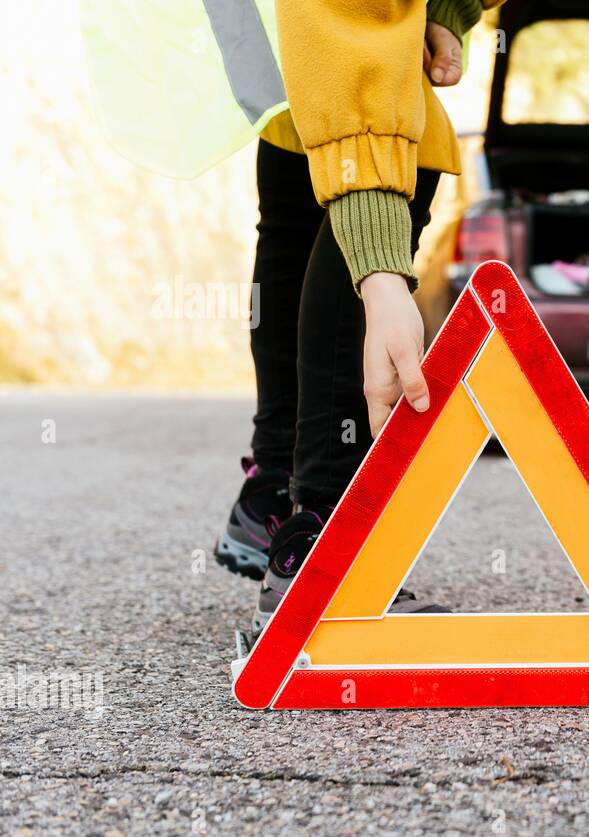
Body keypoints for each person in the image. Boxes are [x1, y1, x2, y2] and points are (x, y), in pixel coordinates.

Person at [213, 0, 505, 637]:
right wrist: (380, 275)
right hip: (331, 21)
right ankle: (322, 536)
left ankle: (278, 486)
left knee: (301, 158)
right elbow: (347, 45)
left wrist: (444, 13)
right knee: (394, 139)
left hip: (294, 31)